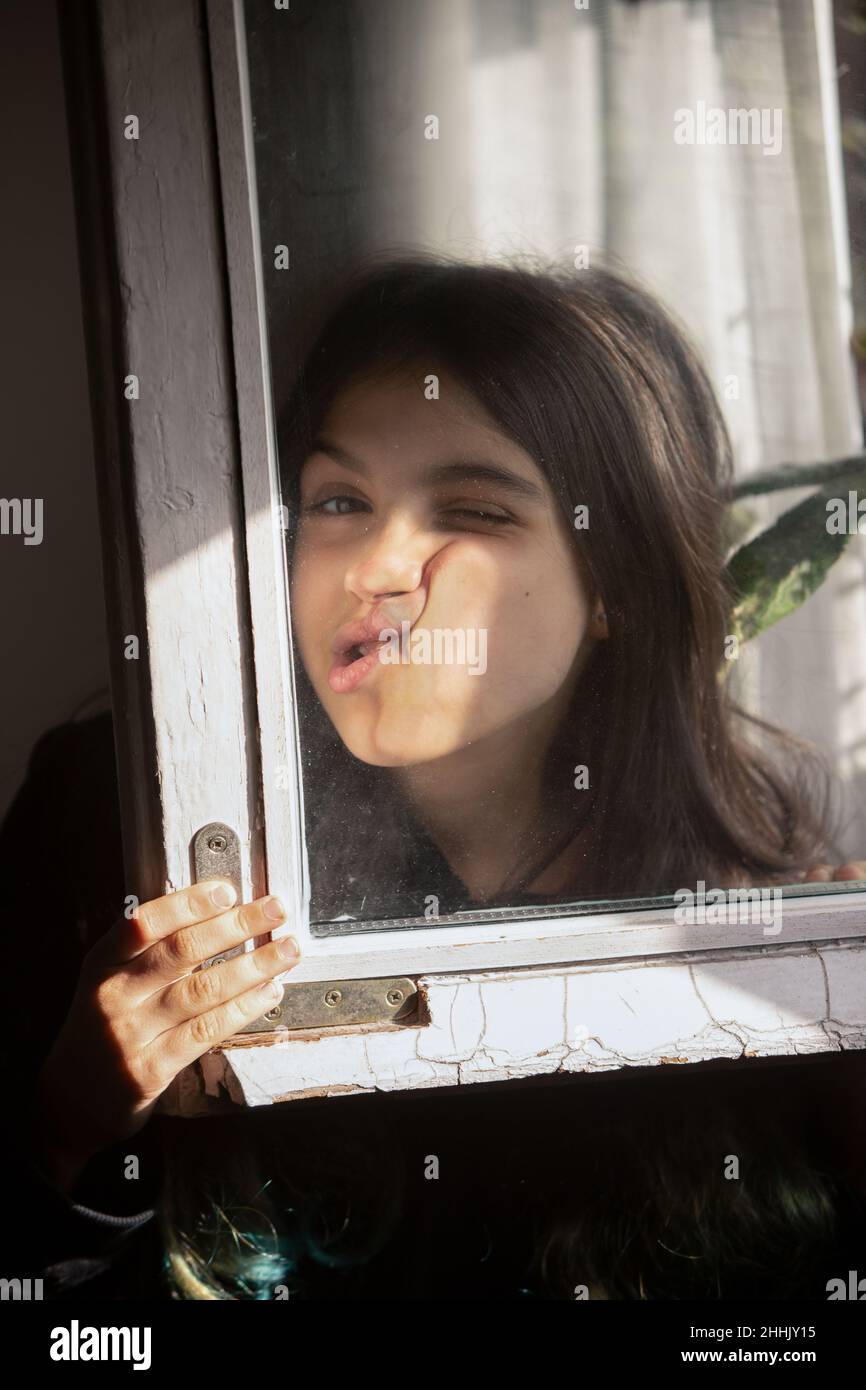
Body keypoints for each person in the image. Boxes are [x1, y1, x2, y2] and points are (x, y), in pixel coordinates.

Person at [3, 255, 865, 1300]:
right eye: (337, 500)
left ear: (616, 586)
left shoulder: (752, 929)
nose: (374, 565)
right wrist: (63, 1126)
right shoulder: (125, 826)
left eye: (472, 510)